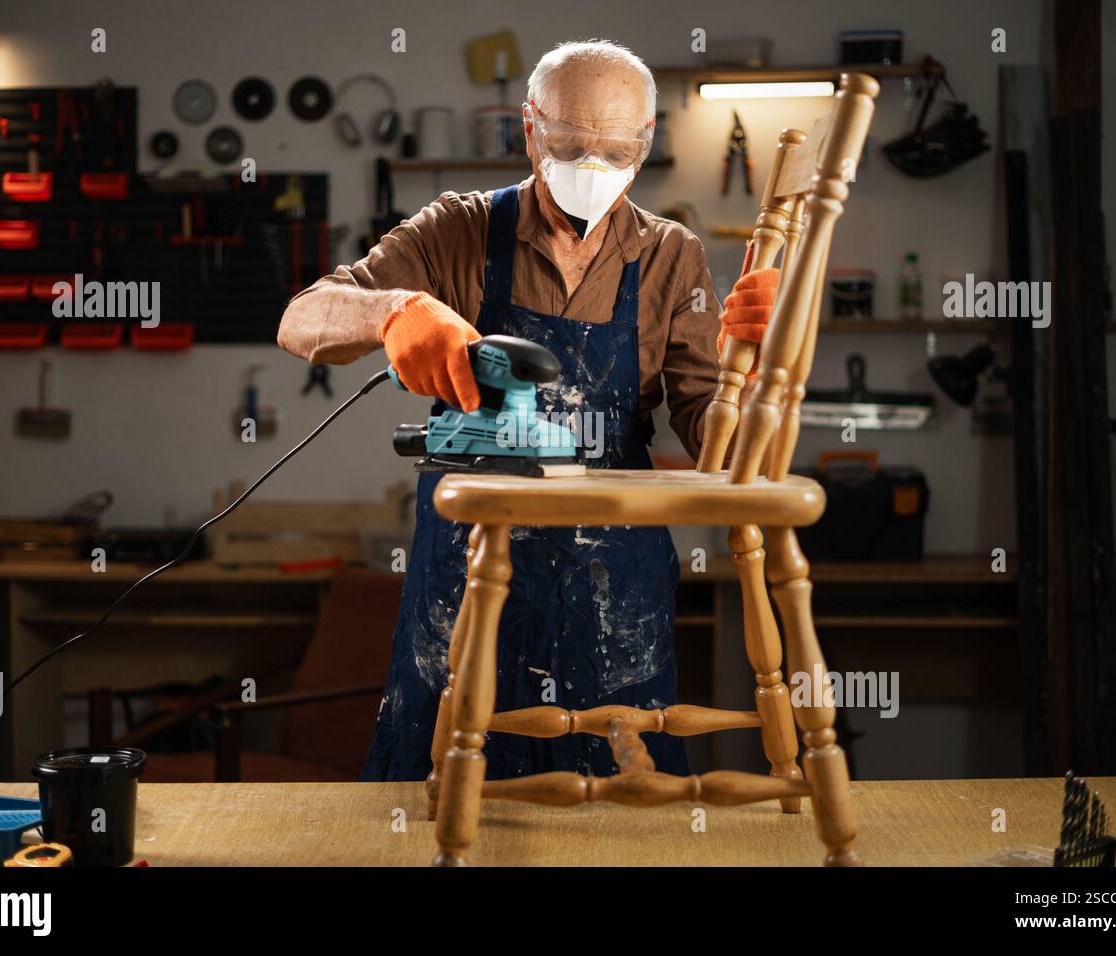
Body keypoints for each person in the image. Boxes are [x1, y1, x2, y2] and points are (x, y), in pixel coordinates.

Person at [277, 39, 779, 781]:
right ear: (529, 130)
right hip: (472, 576)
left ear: (645, 148)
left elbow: (719, 445)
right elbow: (300, 319)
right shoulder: (458, 230)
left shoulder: (672, 256)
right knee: (440, 798)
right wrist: (393, 311)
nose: (592, 169)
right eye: (571, 145)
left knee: (621, 811)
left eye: (615, 151)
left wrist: (756, 367)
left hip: (619, 587)